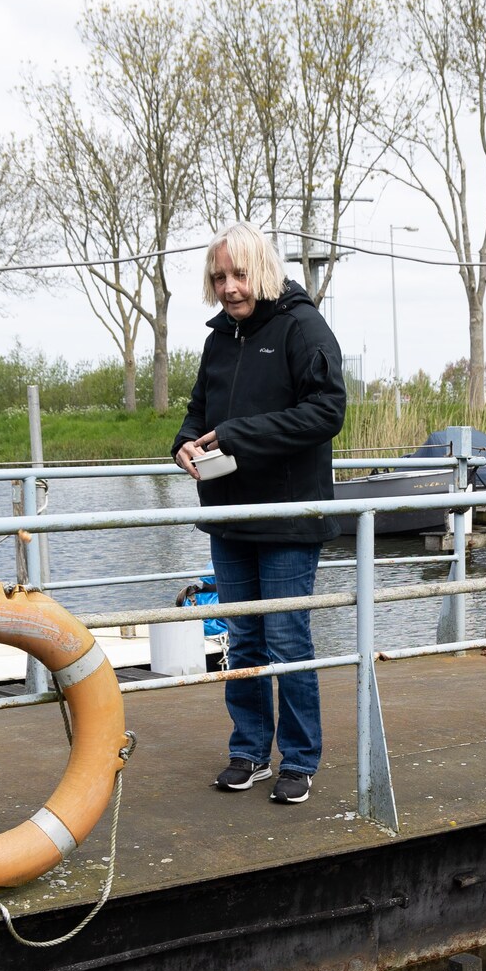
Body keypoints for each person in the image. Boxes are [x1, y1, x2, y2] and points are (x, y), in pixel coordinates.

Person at [173, 223, 346, 806]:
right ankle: (248, 751)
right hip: (228, 514)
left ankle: (298, 760)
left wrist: (239, 436)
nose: (228, 288)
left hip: (289, 517)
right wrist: (184, 443)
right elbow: (199, 409)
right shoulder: (219, 339)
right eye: (219, 277)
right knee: (242, 638)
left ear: (264, 272)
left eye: (239, 275)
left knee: (287, 639)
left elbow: (327, 411)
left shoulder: (302, 326)